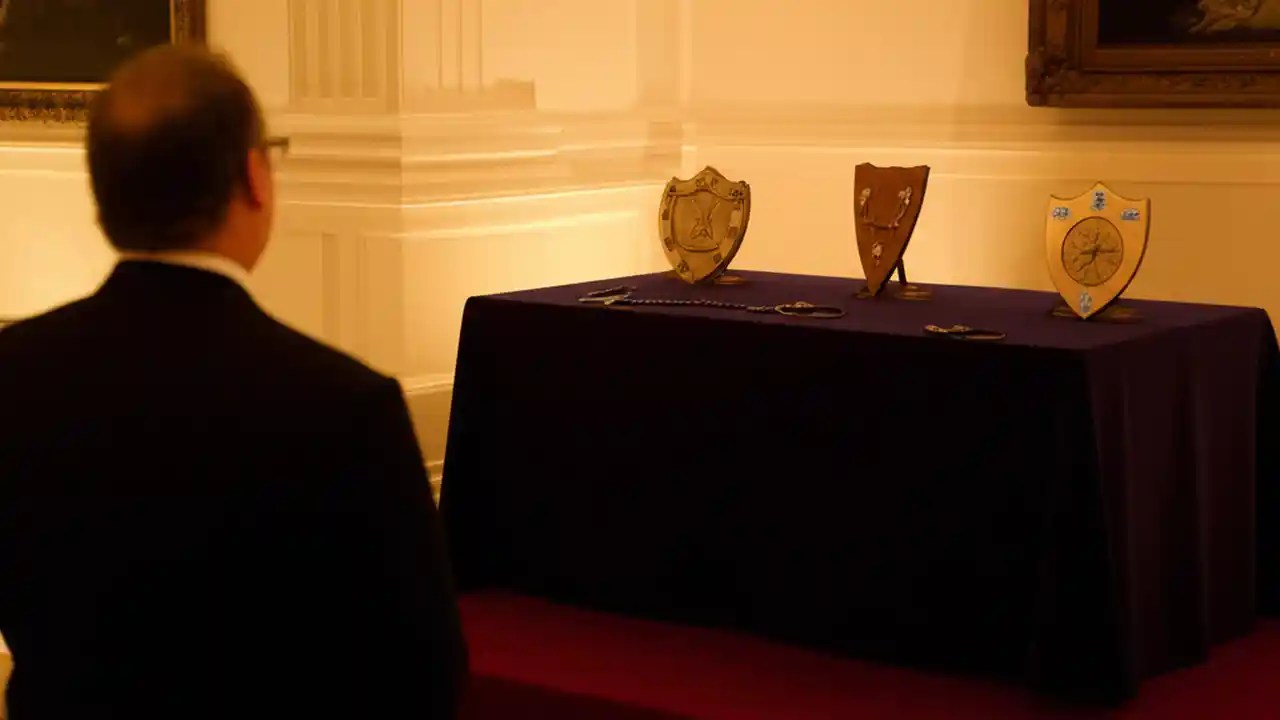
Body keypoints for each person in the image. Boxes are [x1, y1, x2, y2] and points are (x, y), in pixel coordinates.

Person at [0, 46, 468, 719]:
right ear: (254, 178)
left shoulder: (13, 373)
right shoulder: (344, 407)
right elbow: (422, 670)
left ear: (102, 201)